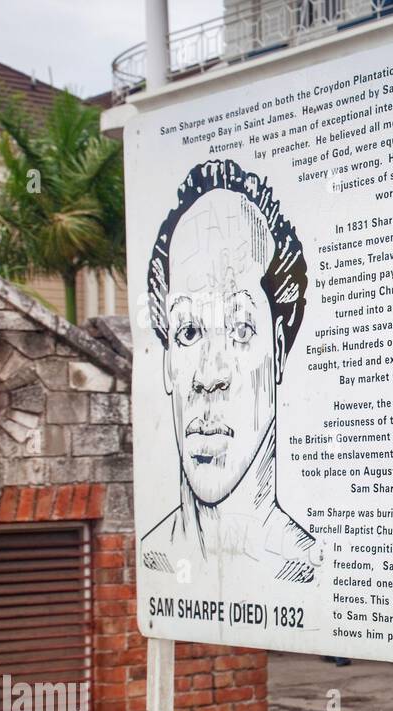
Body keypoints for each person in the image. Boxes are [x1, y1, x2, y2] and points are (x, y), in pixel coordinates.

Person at [141, 159, 318, 583]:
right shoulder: (151, 560)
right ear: (167, 360)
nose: (208, 375)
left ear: (277, 350)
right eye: (187, 331)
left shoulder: (309, 569)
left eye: (240, 329)